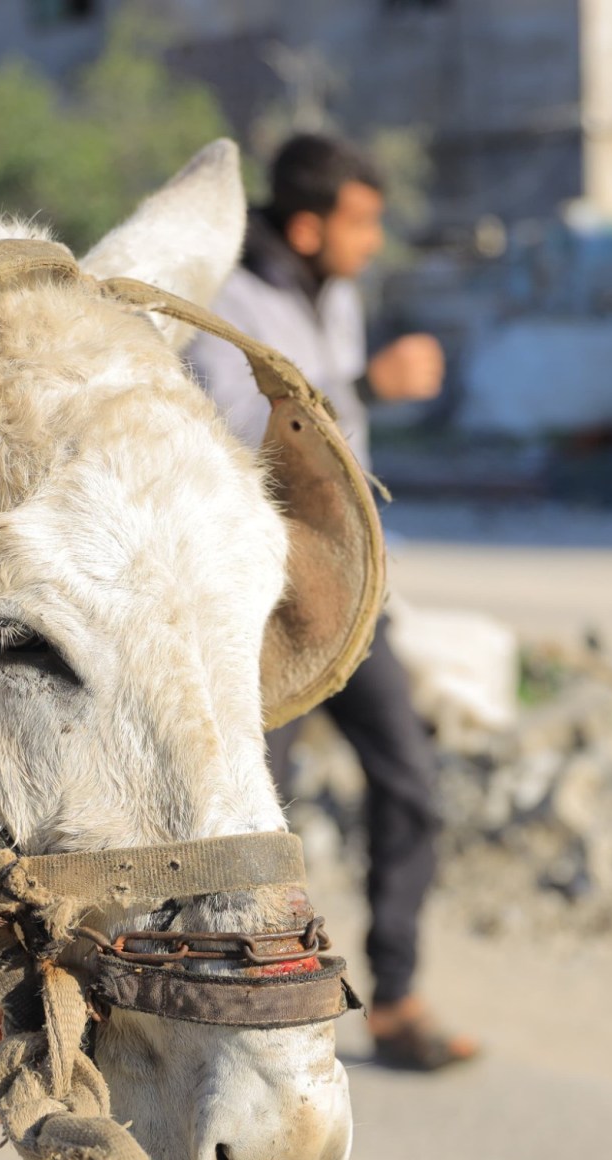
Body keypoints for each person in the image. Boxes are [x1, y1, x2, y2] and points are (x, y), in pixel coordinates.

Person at [187, 134, 476, 1071]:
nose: (373, 240)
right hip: (256, 601)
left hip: (342, 591)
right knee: (255, 812)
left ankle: (397, 997)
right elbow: (235, 432)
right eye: (362, 222)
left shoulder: (338, 296)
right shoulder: (225, 299)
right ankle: (241, 1018)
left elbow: (342, 450)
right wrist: (362, 388)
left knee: (409, 778)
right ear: (308, 227)